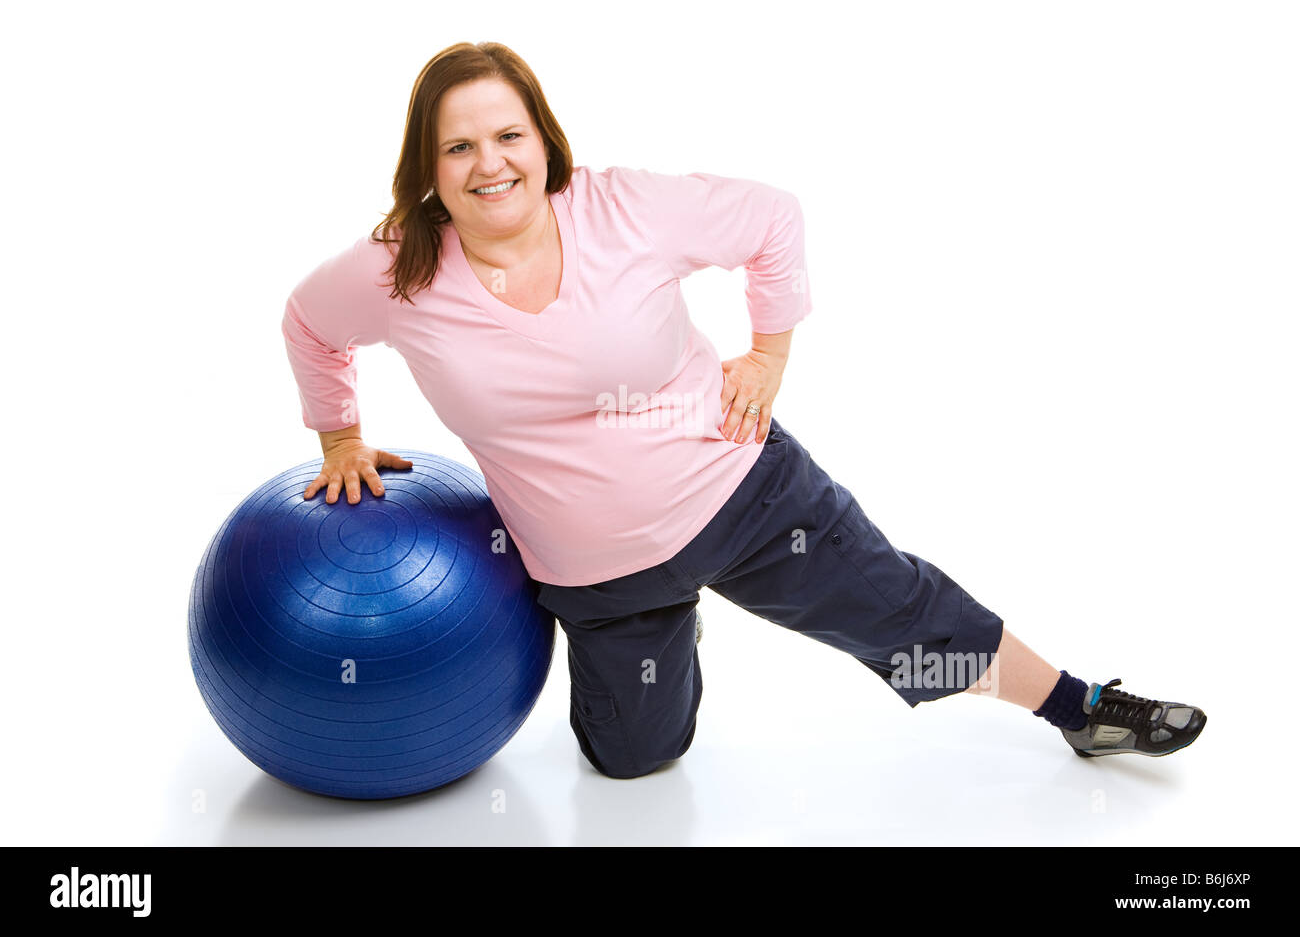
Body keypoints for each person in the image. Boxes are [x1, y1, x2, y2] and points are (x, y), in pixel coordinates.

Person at [280, 41, 1206, 780]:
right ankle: (674, 612)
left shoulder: (623, 208)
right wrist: (341, 435)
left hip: (745, 499)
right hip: (598, 576)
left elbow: (773, 217)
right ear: (428, 165)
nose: (492, 164)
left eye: (509, 135)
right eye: (460, 146)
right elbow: (308, 323)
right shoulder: (396, 267)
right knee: (634, 761)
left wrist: (769, 353)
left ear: (543, 139)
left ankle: (1080, 710)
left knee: (904, 615)